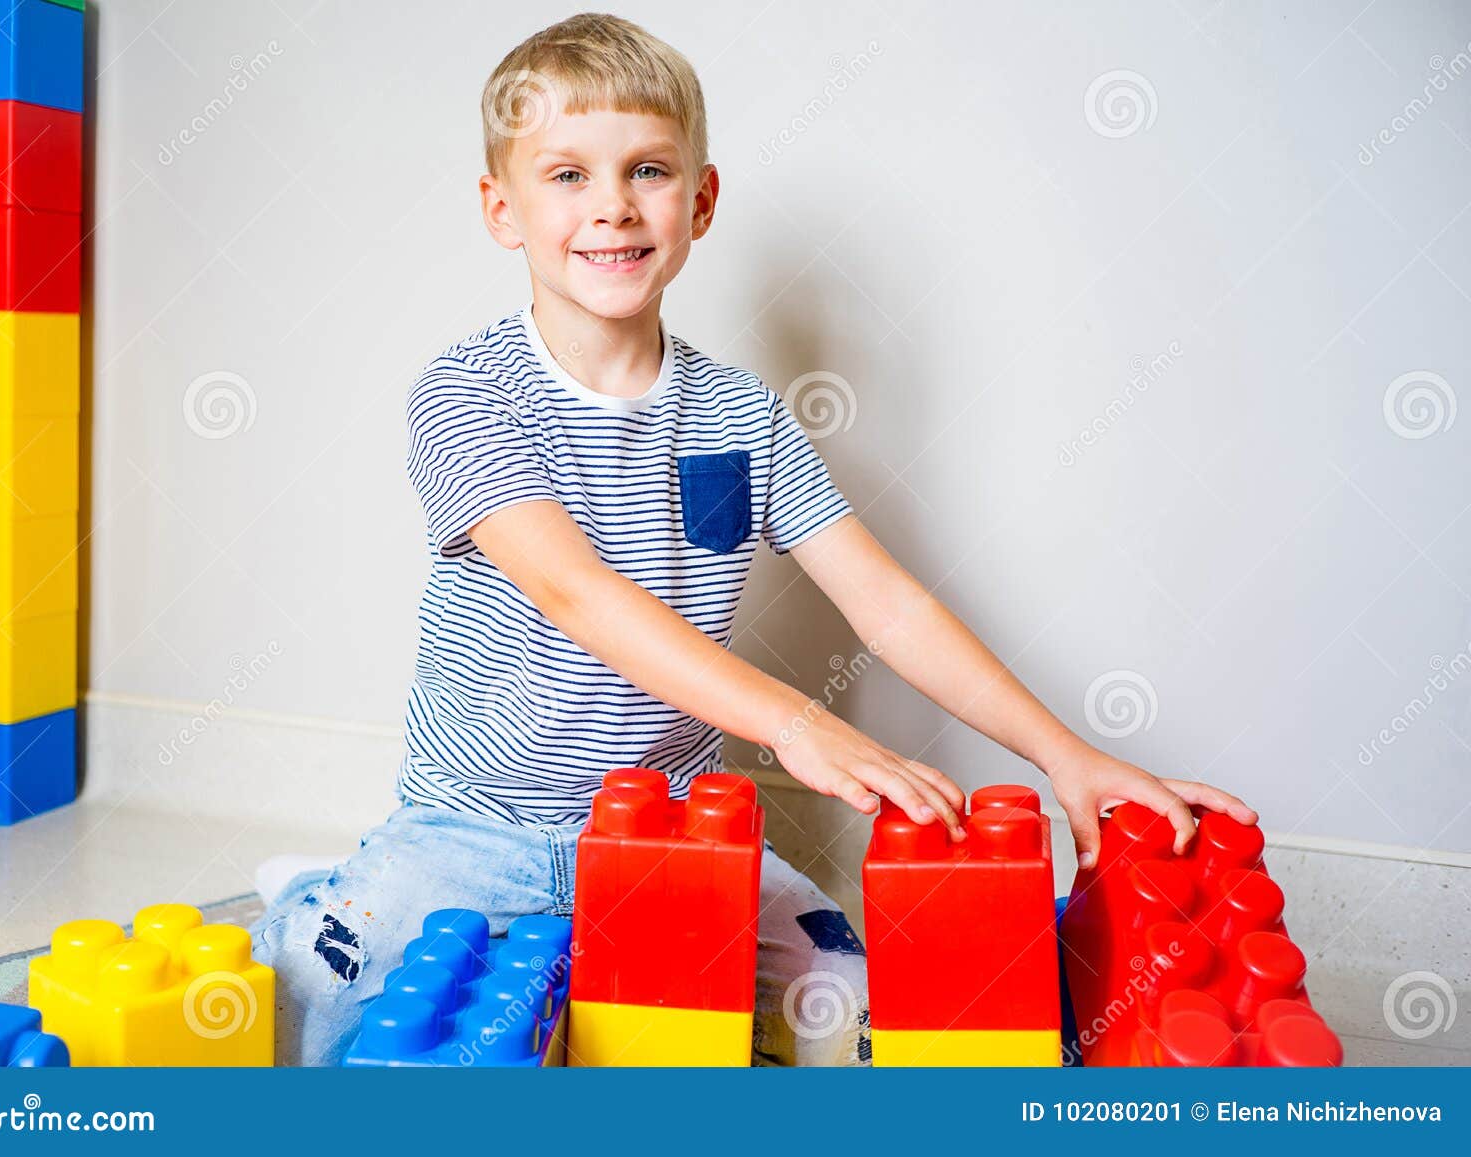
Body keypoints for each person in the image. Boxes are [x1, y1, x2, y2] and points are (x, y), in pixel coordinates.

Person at [249, 11, 1255, 1067]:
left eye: (647, 169)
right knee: (322, 1013)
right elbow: (575, 594)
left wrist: (1066, 756)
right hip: (471, 833)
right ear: (502, 208)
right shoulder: (467, 394)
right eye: (567, 175)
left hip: (683, 842)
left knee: (867, 1026)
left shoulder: (744, 416)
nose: (612, 207)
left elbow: (885, 601)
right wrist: (796, 723)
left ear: (701, 200)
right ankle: (312, 896)